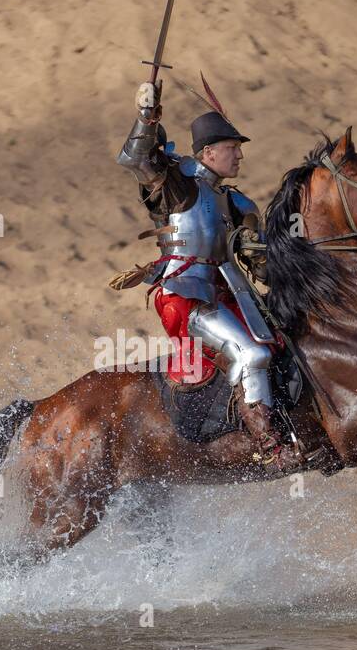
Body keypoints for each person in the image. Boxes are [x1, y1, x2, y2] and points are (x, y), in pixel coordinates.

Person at [116, 80, 297, 471]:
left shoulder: (234, 201)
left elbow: (261, 262)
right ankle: (268, 446)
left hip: (230, 293)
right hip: (186, 296)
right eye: (233, 149)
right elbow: (135, 160)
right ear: (209, 152)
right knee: (252, 354)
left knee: (283, 344)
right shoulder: (178, 187)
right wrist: (147, 117)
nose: (239, 157)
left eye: (240, 150)